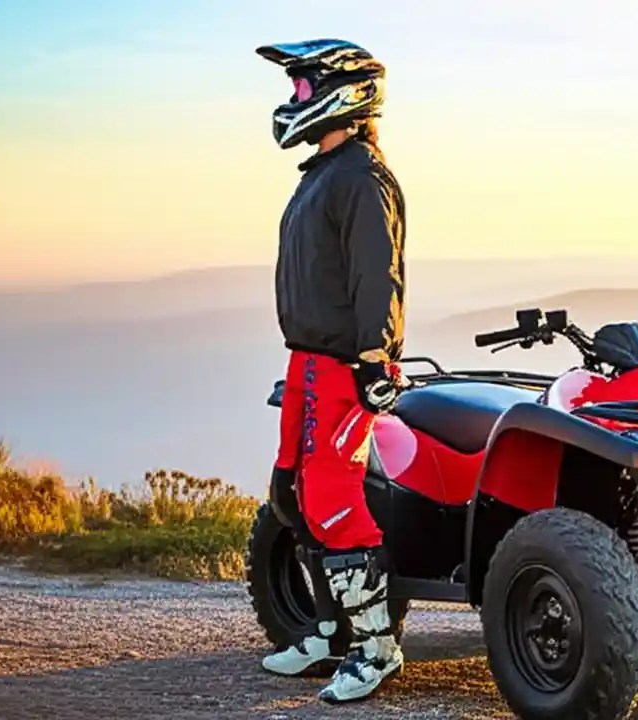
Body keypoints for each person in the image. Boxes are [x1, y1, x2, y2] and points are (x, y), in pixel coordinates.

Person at [254, 38, 407, 704]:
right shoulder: (323, 172)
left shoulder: (363, 177)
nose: (294, 102)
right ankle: (330, 631)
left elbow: (380, 275)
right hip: (307, 362)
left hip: (345, 365)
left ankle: (376, 648)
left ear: (345, 95)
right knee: (290, 494)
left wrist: (377, 358)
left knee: (334, 500)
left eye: (304, 90)